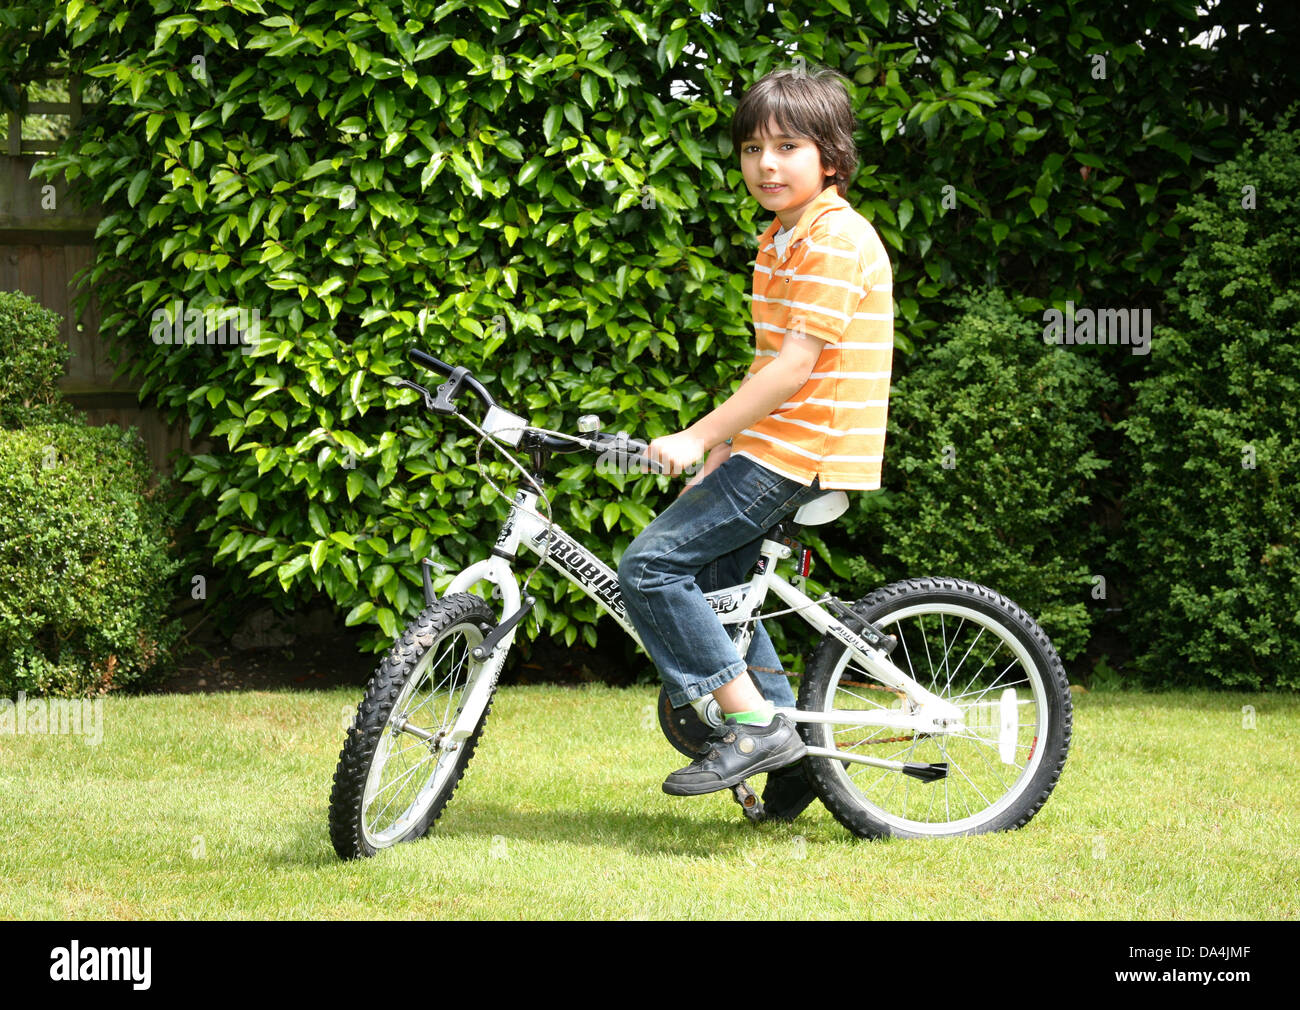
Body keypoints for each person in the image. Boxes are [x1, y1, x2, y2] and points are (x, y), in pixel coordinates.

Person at [616, 65, 895, 818]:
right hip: (772, 444)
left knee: (648, 567)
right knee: (716, 588)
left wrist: (698, 433)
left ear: (830, 156)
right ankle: (791, 748)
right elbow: (766, 362)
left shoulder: (835, 239)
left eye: (787, 146)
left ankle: (756, 724)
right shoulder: (781, 239)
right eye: (750, 150)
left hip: (807, 447)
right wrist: (719, 451)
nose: (765, 164)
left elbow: (799, 365)